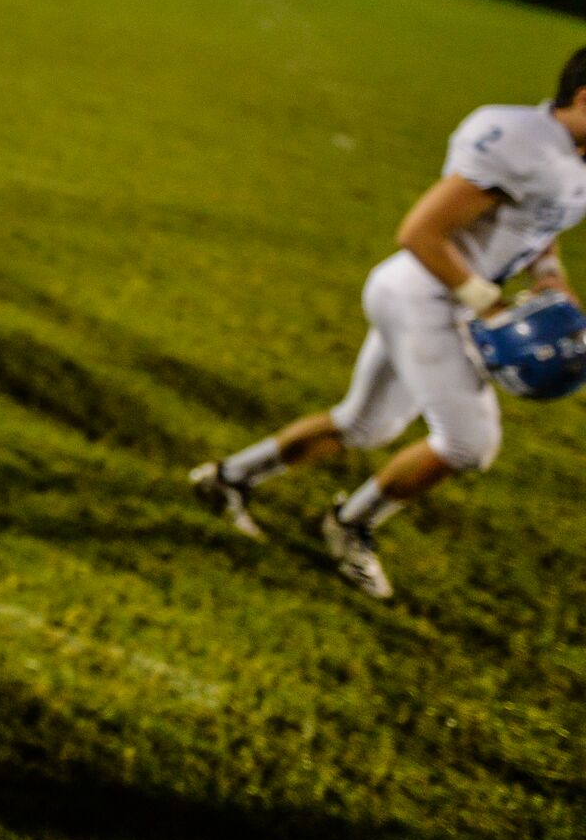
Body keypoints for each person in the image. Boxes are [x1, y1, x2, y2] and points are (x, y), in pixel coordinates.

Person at [193, 49, 586, 598]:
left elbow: (542, 225)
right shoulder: (522, 141)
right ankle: (351, 524)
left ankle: (228, 479)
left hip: (442, 297)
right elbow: (420, 232)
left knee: (365, 425)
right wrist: (489, 305)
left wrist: (549, 276)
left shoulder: (574, 157)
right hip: (423, 293)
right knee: (469, 443)